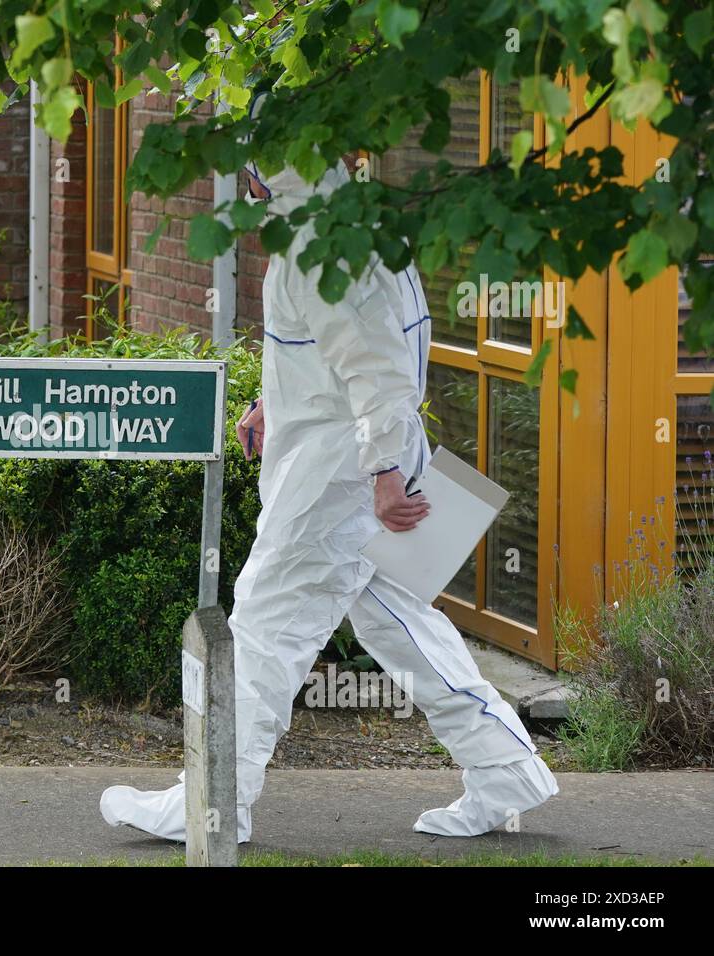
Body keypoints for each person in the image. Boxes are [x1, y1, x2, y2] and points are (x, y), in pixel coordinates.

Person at [99, 151, 558, 843]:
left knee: (262, 628)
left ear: (261, 178)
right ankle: (506, 771)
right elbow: (345, 353)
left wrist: (377, 475)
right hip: (369, 461)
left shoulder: (314, 246)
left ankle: (214, 801)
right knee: (399, 623)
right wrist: (274, 403)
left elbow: (375, 367)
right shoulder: (359, 225)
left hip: (336, 479)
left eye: (246, 176)